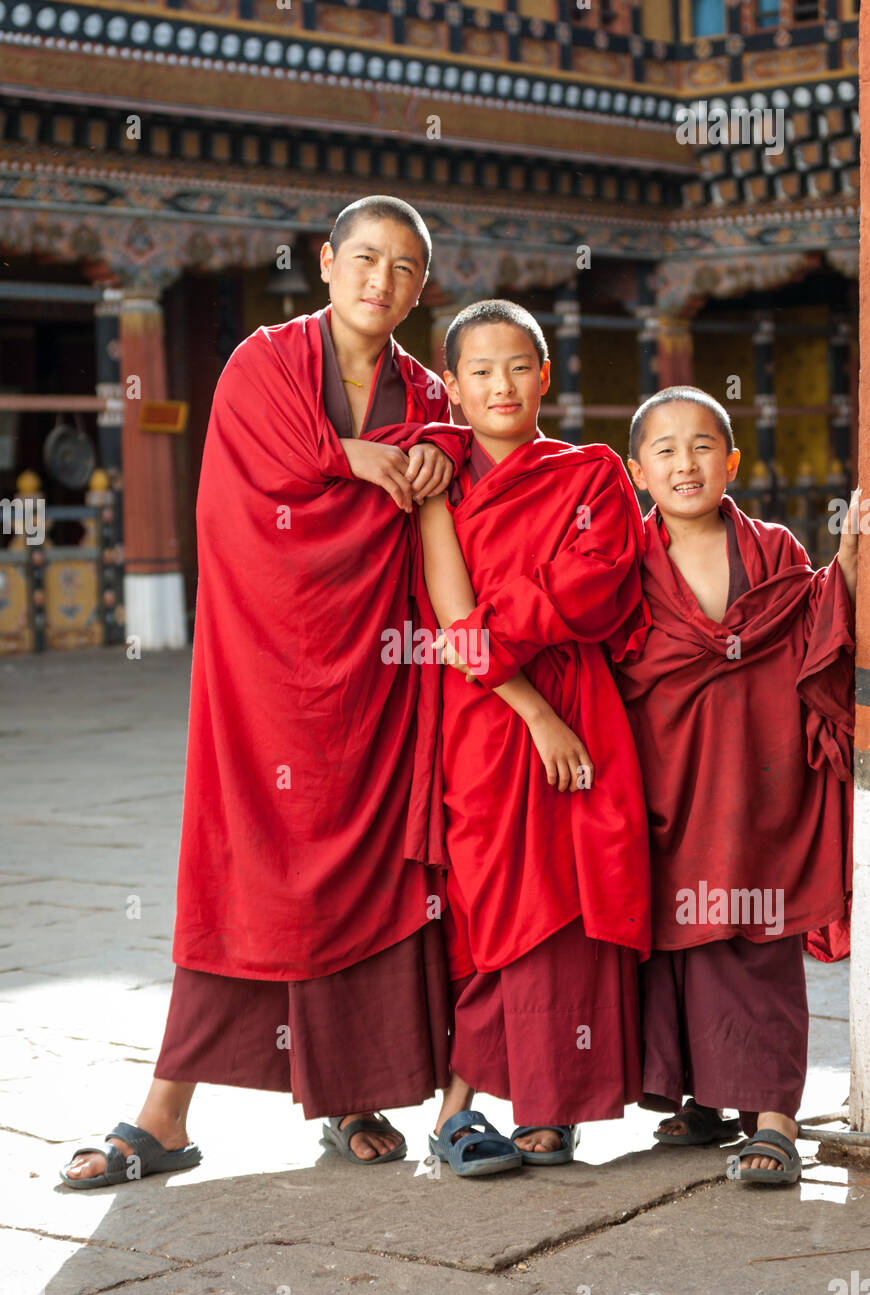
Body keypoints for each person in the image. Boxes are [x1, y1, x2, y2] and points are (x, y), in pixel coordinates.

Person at [61, 196, 459, 1186]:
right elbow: (244, 496)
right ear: (325, 263)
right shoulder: (265, 362)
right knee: (242, 866)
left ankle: (352, 1091)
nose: (382, 280)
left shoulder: (423, 393)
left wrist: (433, 452)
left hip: (378, 676)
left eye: (405, 268)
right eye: (364, 258)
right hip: (267, 671)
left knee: (371, 870)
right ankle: (166, 1112)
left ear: (421, 290)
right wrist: (347, 459)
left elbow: (455, 457)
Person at [380, 299, 651, 1175]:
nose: (503, 385)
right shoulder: (439, 479)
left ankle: (552, 1102)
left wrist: (489, 633)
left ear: (547, 374)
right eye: (481, 371)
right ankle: (460, 1103)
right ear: (450, 385)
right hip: (491, 714)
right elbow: (453, 621)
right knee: (498, 900)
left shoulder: (594, 472)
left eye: (520, 366)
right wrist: (531, 707)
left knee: (575, 899)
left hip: (582, 704)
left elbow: (594, 586)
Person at [614, 385, 855, 1185]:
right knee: (674, 942)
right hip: (666, 782)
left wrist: (850, 559)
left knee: (755, 936)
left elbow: (822, 622)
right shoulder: (626, 561)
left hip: (758, 781)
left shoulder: (776, 549)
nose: (686, 463)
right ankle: (703, 1096)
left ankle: (775, 1116)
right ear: (637, 470)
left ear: (733, 461)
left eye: (704, 446)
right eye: (666, 450)